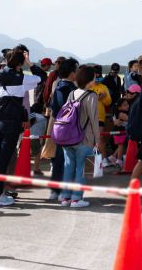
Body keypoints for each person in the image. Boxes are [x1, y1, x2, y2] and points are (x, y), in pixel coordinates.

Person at [0, 48, 41, 207]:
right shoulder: (21, 78)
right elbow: (42, 77)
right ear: (20, 63)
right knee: (4, 160)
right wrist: (30, 63)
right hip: (11, 124)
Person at [58, 64, 100, 208]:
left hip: (68, 137)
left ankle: (65, 197)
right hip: (84, 138)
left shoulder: (72, 93)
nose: (96, 79)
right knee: (81, 169)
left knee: (68, 167)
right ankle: (76, 199)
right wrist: (97, 140)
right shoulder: (92, 96)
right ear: (89, 79)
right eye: (94, 77)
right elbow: (94, 120)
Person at [46, 58, 78, 200]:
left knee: (59, 159)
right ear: (72, 73)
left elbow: (54, 109)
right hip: (70, 129)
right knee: (69, 160)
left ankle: (55, 190)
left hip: (58, 127)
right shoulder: (72, 90)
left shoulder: (58, 86)